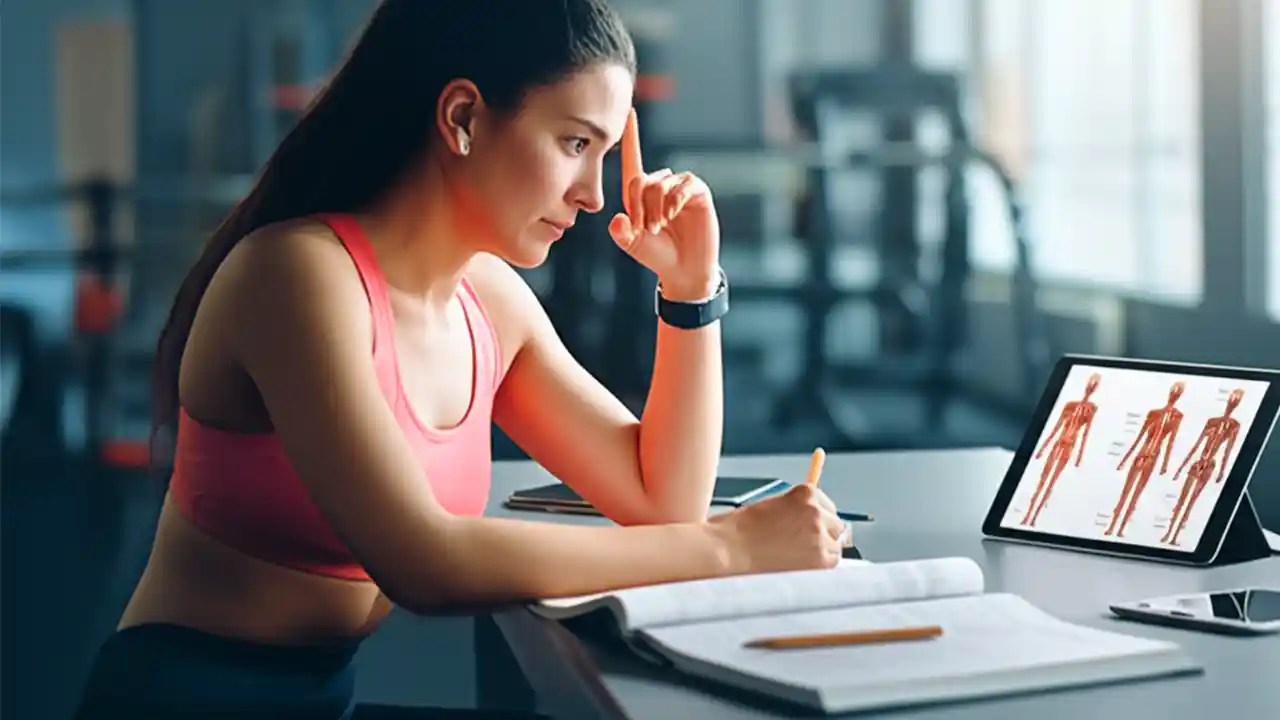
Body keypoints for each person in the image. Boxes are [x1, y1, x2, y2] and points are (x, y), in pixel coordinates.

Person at [73, 1, 851, 717]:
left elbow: (661, 499)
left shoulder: (488, 298)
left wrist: (689, 290)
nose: (593, 194)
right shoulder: (296, 275)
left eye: (606, 152)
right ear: (464, 117)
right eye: (575, 142)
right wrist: (730, 546)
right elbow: (425, 564)